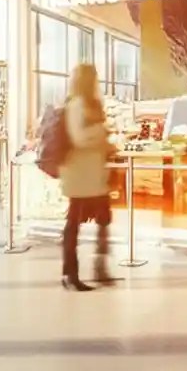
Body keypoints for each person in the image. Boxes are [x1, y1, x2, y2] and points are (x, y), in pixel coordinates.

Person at [59, 64, 117, 292]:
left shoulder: (92, 104)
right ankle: (70, 274)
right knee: (74, 223)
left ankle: (100, 268)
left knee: (104, 219)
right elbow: (79, 138)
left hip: (94, 175)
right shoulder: (75, 105)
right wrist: (101, 135)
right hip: (79, 174)